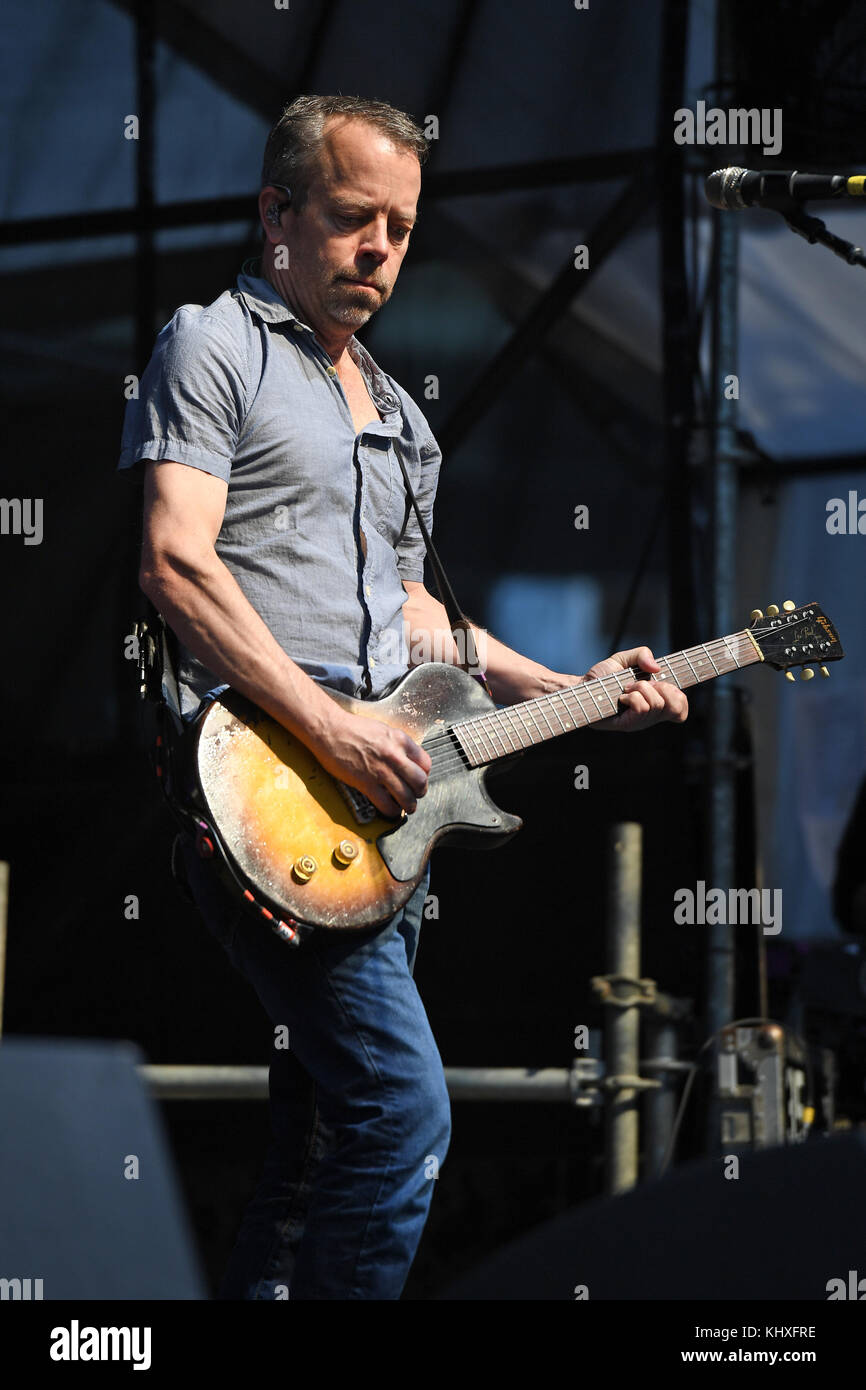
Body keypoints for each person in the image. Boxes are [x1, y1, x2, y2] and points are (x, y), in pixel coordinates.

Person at [118, 94, 688, 1300]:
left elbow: (415, 621)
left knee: (322, 1134)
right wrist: (327, 723)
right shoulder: (209, 345)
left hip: (384, 809)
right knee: (400, 1116)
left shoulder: (403, 416)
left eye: (401, 228)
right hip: (271, 774)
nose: (378, 248)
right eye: (349, 218)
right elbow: (174, 561)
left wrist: (568, 685)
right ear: (277, 213)